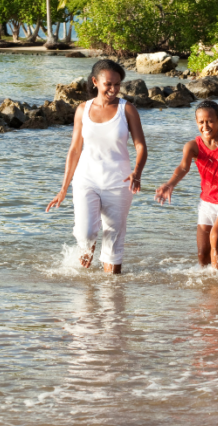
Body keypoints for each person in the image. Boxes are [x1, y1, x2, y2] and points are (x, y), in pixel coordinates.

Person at [47, 59, 147, 274]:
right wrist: (63, 188)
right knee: (85, 233)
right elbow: (74, 150)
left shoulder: (127, 110)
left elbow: (141, 146)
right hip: (86, 179)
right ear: (95, 82)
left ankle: (112, 294)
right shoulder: (82, 109)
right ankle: (89, 247)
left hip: (119, 181)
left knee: (114, 240)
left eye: (117, 84)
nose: (113, 89)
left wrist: (137, 172)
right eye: (108, 84)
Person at [154, 100, 218, 270]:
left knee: (216, 236)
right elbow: (183, 167)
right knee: (203, 253)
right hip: (207, 202)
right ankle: (206, 286)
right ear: (196, 122)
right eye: (201, 122)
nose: (206, 126)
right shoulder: (192, 146)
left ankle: (217, 283)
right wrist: (170, 183)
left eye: (210, 121)